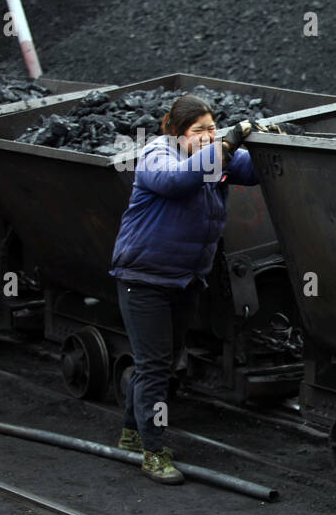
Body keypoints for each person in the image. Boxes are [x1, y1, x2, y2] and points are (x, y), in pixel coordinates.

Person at [108, 95, 256, 484]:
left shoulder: (215, 159)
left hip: (185, 279)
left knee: (160, 360)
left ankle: (131, 433)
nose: (208, 137)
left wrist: (274, 141)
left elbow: (256, 170)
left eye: (213, 128)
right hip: (143, 279)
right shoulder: (158, 156)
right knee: (155, 365)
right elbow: (177, 181)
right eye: (199, 131)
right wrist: (226, 144)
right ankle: (153, 452)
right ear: (176, 132)